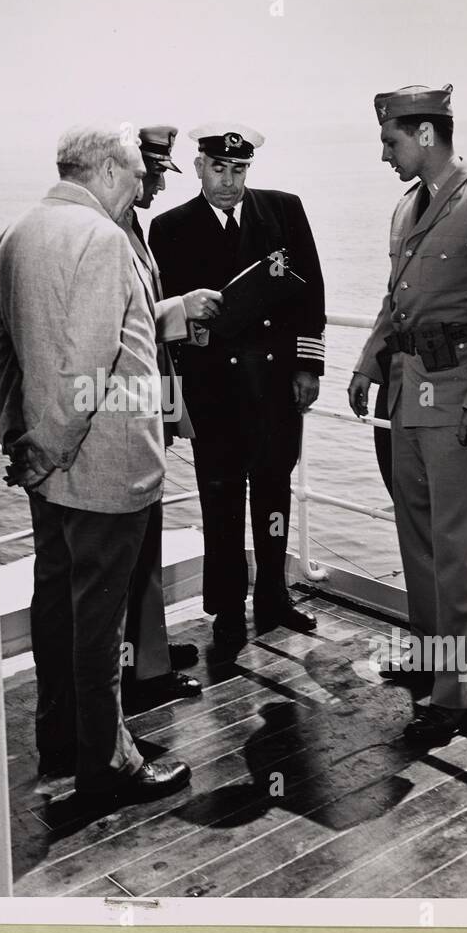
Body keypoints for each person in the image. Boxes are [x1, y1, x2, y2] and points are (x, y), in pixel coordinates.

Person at [0, 124, 192, 803]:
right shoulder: (102, 238)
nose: (138, 191)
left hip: (45, 473)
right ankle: (108, 765)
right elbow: (89, 361)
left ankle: (60, 743)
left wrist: (20, 440)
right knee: (99, 627)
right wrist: (53, 444)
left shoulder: (13, 235)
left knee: (57, 610)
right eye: (134, 179)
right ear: (104, 172)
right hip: (103, 468)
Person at [347, 85, 467, 748]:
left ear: (424, 134)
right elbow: (395, 303)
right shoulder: (406, 209)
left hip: (457, 402)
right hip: (408, 394)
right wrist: (369, 362)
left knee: (455, 554)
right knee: (417, 540)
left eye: (389, 141)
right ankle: (430, 662)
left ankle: (458, 696)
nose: (383, 154)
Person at [149, 123, 327, 652]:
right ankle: (227, 608)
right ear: (199, 167)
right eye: (219, 168)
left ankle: (274, 595)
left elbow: (310, 293)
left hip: (274, 386)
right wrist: (171, 395)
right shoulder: (169, 227)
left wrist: (307, 368)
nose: (229, 181)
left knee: (273, 494)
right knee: (220, 500)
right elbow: (162, 315)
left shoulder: (284, 211)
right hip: (213, 390)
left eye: (239, 169)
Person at [120, 125, 222, 711]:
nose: (158, 184)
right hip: (128, 410)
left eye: (161, 174)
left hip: (150, 401)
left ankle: (149, 649)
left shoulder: (131, 227)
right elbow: (127, 324)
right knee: (136, 539)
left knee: (147, 536)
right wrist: (179, 310)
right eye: (151, 175)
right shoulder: (112, 232)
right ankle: (144, 669)